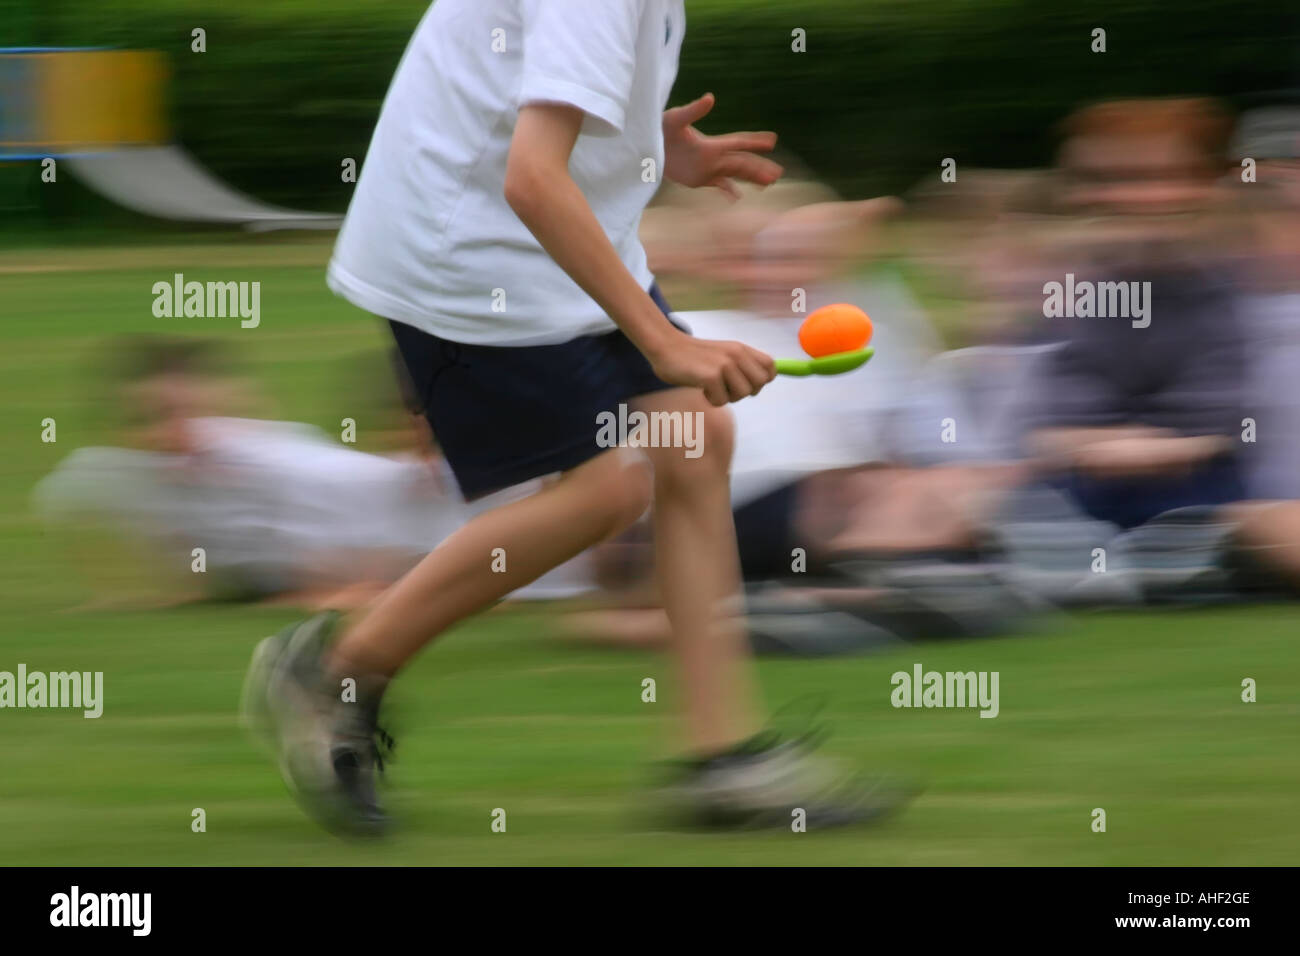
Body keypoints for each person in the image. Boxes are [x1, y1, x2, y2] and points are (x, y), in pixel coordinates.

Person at [243, 0, 907, 836]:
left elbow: (534, 106)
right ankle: (337, 673)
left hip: (536, 232)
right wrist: (663, 339)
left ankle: (725, 762)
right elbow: (531, 176)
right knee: (605, 493)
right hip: (469, 260)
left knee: (696, 439)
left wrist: (650, 145)